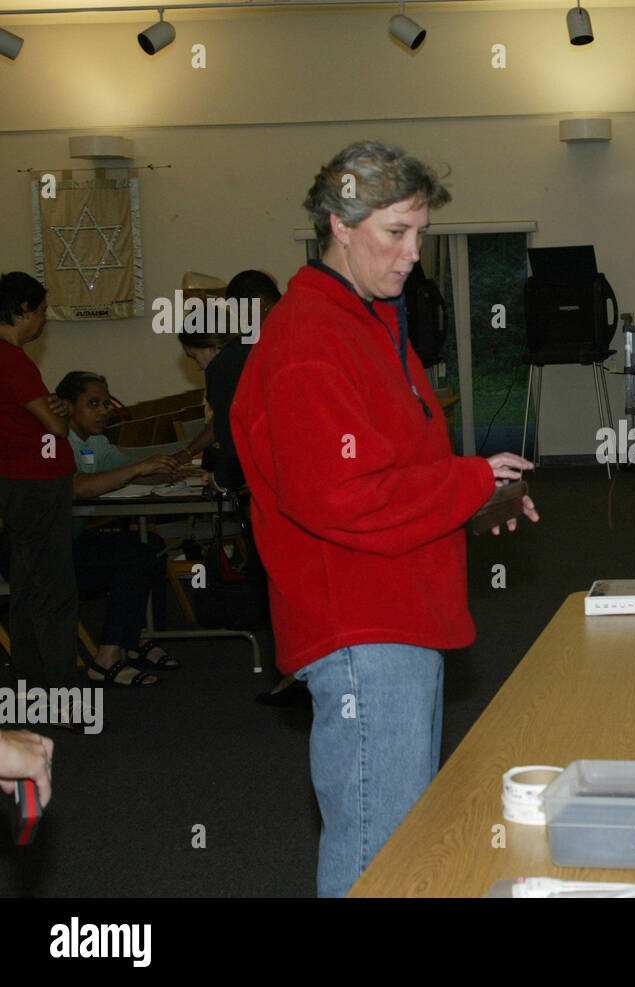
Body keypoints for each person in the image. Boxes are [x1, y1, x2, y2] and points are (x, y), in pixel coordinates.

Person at [231, 140, 539, 897]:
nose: (412, 255)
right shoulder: (312, 335)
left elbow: (387, 475)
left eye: (420, 234)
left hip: (396, 612)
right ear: (339, 223)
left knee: (401, 840)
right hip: (364, 629)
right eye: (395, 233)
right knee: (380, 851)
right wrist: (465, 481)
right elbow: (339, 495)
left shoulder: (365, 320)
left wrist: (469, 500)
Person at [57, 371, 184, 687]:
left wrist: (165, 472)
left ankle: (136, 637)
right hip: (43, 551)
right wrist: (139, 468)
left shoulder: (95, 443)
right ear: (68, 407)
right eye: (93, 404)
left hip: (71, 541)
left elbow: (126, 473)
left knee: (152, 544)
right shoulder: (55, 442)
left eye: (106, 403)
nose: (104, 411)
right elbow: (76, 487)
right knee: (135, 556)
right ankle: (106, 659)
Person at [0, 273, 78, 696]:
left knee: (27, 584)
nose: (45, 319)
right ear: (21, 311)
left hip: (17, 480)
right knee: (54, 588)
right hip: (37, 482)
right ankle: (63, 687)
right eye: (43, 310)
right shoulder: (12, 359)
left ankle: (30, 681)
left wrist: (57, 408)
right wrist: (61, 416)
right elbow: (56, 429)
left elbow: (36, 412)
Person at [176, 269, 280, 492]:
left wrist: (222, 480)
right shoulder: (256, 349)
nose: (241, 323)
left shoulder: (225, 365)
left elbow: (233, 430)